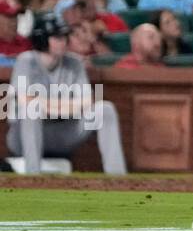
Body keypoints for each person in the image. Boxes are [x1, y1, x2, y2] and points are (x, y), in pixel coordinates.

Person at [6, 13, 127, 174]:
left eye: (64, 36)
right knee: (31, 110)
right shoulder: (26, 61)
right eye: (57, 37)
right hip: (22, 138)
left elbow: (87, 101)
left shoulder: (74, 62)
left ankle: (117, 175)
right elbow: (25, 100)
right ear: (42, 39)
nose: (63, 41)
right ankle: (32, 175)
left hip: (63, 133)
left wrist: (49, 107)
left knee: (105, 109)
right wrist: (67, 108)